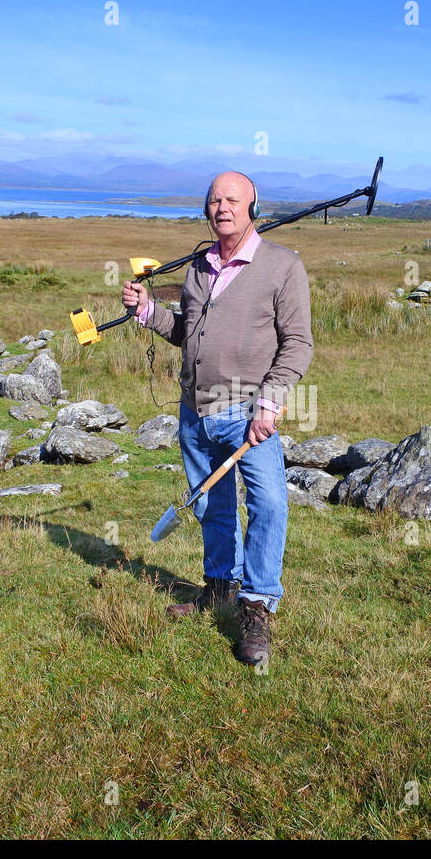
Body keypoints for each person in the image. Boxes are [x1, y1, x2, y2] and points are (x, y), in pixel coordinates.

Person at [122, 171, 313, 666]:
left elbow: (298, 343)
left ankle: (256, 607)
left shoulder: (281, 266)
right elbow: (188, 332)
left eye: (232, 199)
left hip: (246, 411)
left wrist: (269, 404)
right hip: (194, 411)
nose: (221, 207)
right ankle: (220, 587)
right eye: (213, 200)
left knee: (269, 504)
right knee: (212, 506)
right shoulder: (199, 266)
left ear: (253, 205)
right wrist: (148, 310)